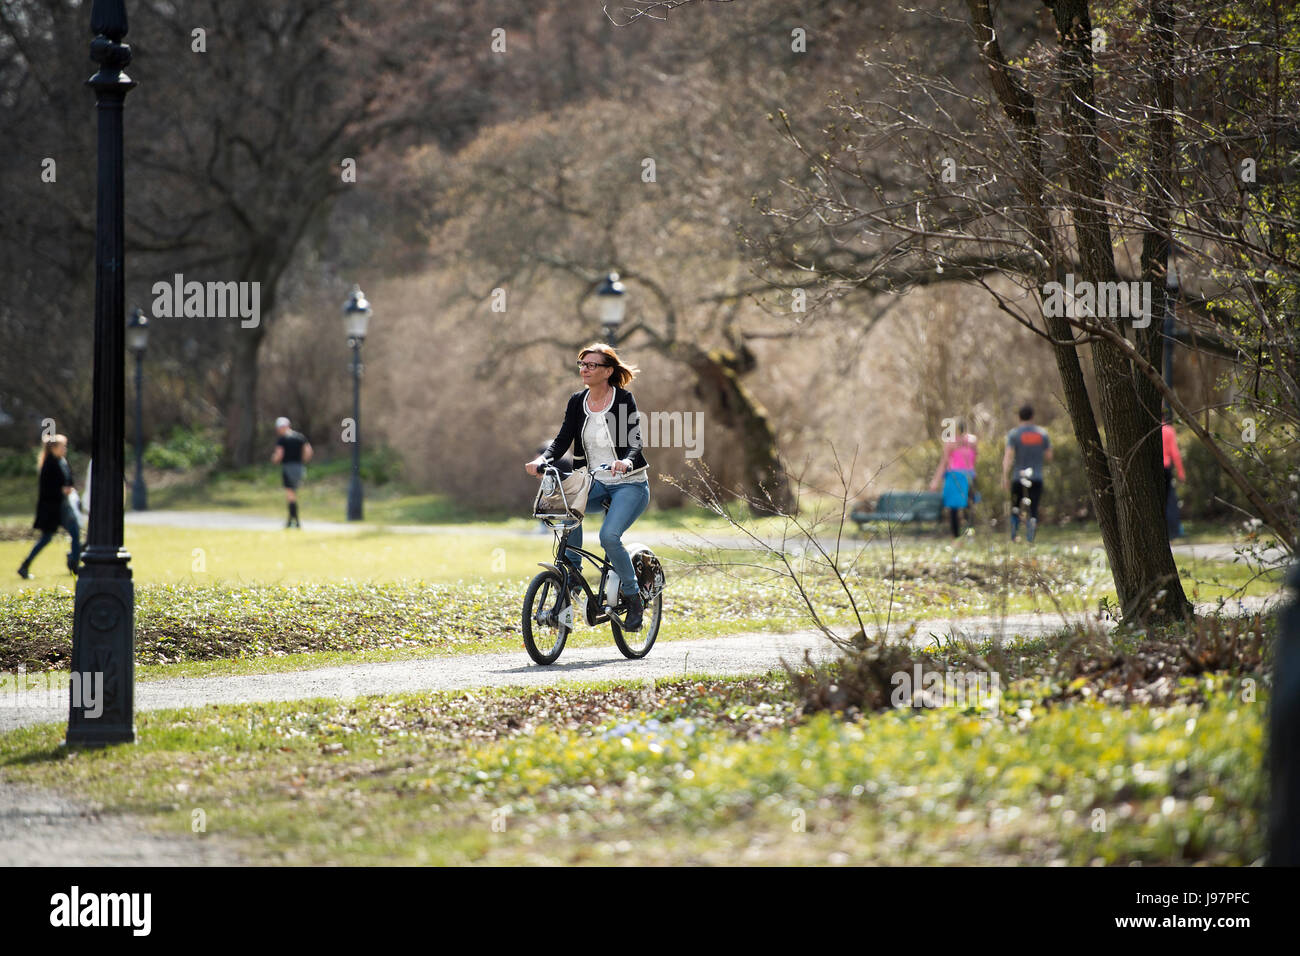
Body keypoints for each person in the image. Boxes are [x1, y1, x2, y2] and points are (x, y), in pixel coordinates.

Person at [525, 343, 651, 630]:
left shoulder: (623, 400)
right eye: (582, 364)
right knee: (567, 510)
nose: (584, 369)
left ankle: (633, 600)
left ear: (608, 371)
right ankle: (572, 575)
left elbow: (634, 440)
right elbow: (561, 439)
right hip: (594, 482)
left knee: (609, 537)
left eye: (592, 365)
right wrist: (542, 459)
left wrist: (626, 462)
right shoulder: (576, 401)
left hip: (628, 485)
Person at [17, 434, 82, 579]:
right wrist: (62, 490)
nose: (64, 449)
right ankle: (25, 565)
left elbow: (69, 480)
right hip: (54, 509)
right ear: (53, 448)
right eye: (62, 446)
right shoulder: (49, 464)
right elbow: (47, 489)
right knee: (47, 538)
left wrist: (69, 488)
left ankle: (74, 564)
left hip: (64, 507)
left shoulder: (62, 462)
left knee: (76, 534)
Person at [1001, 404, 1052, 542]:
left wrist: (1005, 476)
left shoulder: (1014, 434)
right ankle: (1030, 538)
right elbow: (1049, 456)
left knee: (1015, 507)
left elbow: (1008, 456)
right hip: (1036, 477)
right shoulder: (1042, 434)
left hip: (1018, 477)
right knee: (1033, 508)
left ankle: (1013, 535)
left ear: (1019, 417)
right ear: (1033, 417)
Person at [930, 421, 978, 537]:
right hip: (966, 475)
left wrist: (935, 481)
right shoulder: (972, 441)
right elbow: (975, 457)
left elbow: (944, 462)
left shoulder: (952, 443)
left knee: (961, 507)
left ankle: (961, 535)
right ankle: (964, 535)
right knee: (965, 506)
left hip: (958, 476)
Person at [271, 417, 313, 528]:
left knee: (290, 495)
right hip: (299, 468)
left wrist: (274, 460)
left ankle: (294, 521)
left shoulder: (282, 439)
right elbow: (308, 451)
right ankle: (292, 520)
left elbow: (279, 455)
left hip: (288, 467)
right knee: (293, 494)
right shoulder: (300, 437)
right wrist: (302, 460)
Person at [1162, 419, 1186, 539]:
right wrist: (1181, 472)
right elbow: (1175, 453)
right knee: (1169, 500)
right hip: (1165, 468)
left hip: (1152, 468)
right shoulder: (1168, 430)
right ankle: (1171, 531)